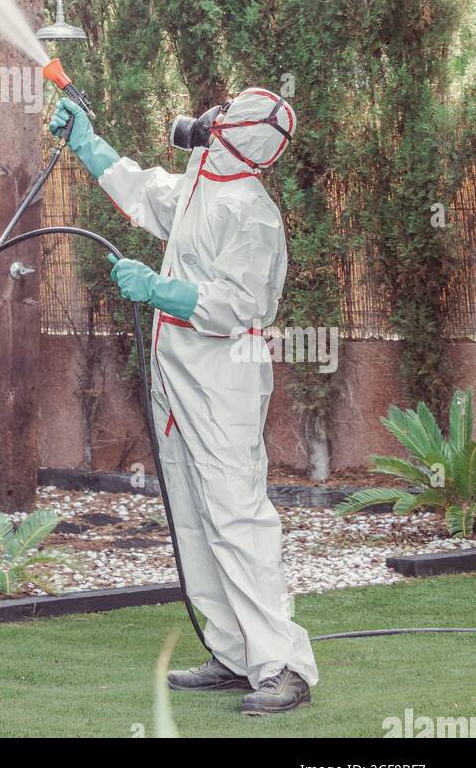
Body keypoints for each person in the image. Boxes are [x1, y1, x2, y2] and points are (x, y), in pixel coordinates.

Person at [49, 86, 318, 715]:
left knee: (237, 519)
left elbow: (240, 304)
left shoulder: (251, 213)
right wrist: (87, 142)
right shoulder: (202, 187)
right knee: (195, 518)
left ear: (240, 136)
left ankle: (284, 667)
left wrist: (159, 289)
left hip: (224, 385)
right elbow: (146, 193)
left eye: (223, 115)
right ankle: (233, 654)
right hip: (178, 381)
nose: (209, 118)